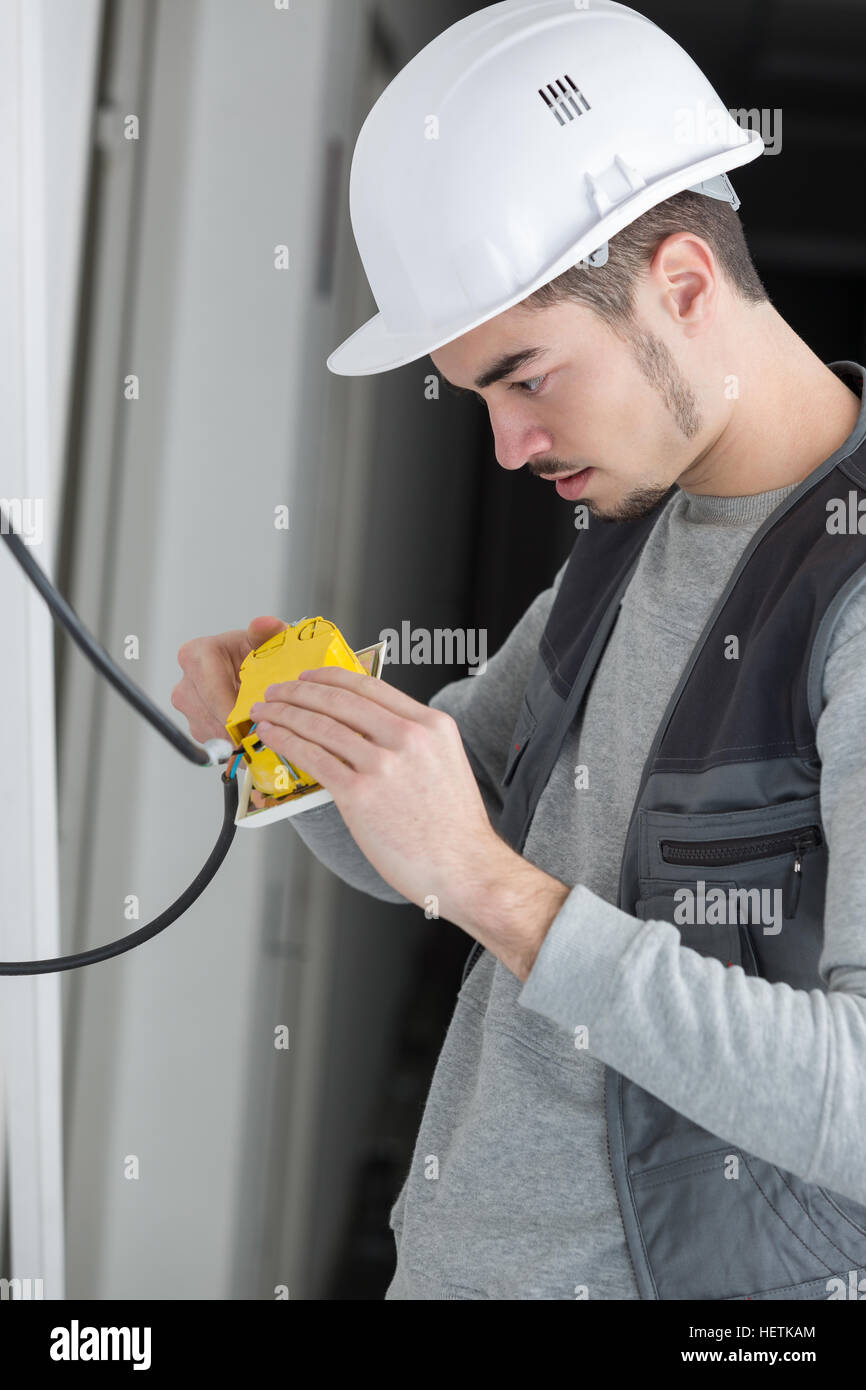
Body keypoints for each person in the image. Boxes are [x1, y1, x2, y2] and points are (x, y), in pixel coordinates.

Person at [171, 0, 866, 1299]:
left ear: (681, 283)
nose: (503, 444)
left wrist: (492, 888)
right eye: (478, 390)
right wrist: (303, 742)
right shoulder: (635, 516)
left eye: (525, 375)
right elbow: (468, 820)